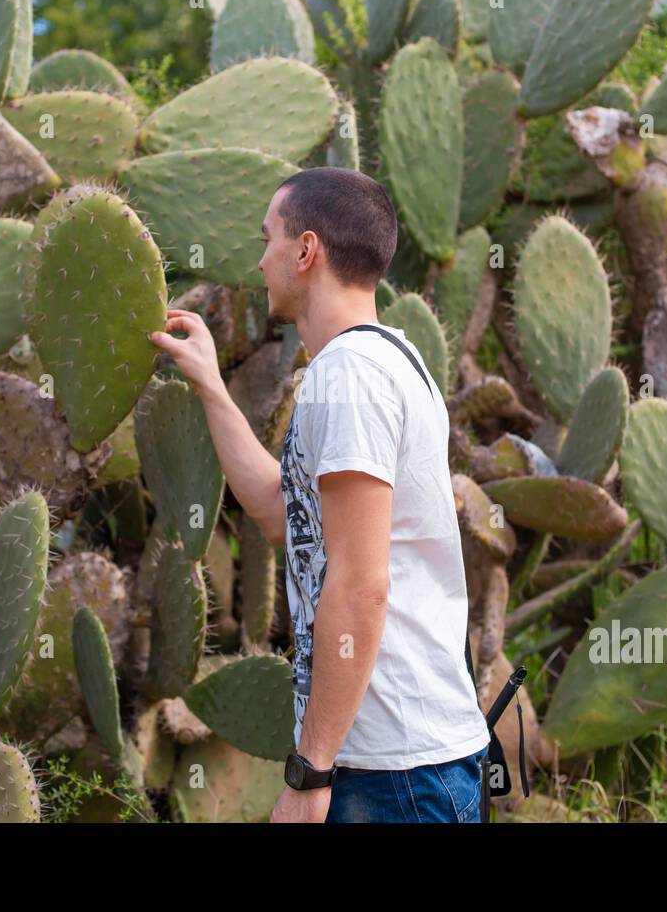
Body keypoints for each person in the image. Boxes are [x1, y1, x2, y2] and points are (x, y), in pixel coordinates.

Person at [149, 167, 489, 823]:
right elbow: (283, 514)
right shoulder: (386, 359)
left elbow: (362, 586)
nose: (259, 258)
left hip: (391, 772)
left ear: (306, 251)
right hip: (403, 763)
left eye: (268, 237)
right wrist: (211, 386)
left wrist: (310, 773)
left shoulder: (350, 377)